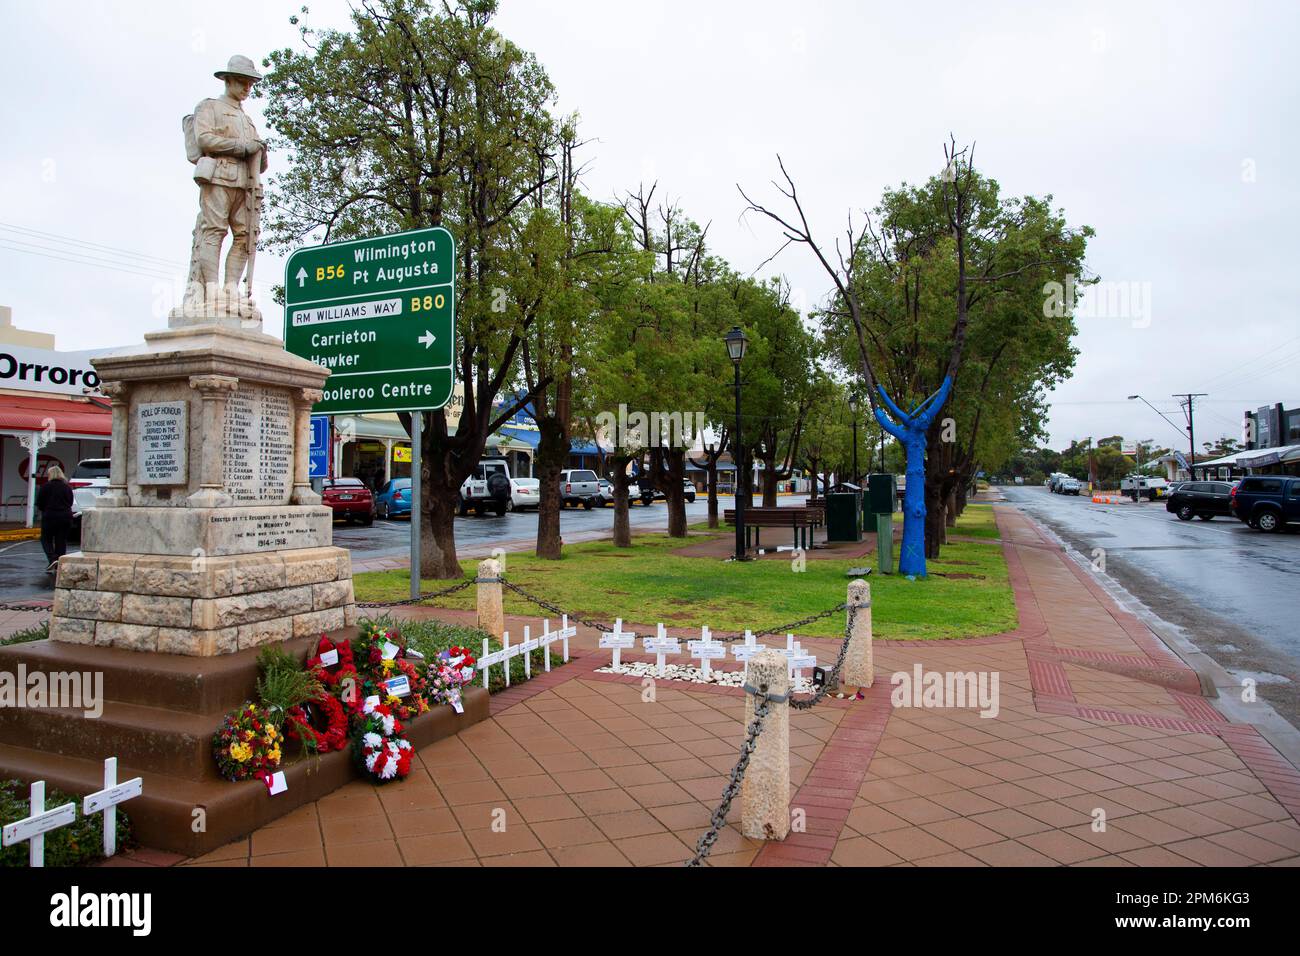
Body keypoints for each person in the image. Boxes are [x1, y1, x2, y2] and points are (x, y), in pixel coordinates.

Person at [35, 465, 74, 573]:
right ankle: (60, 563)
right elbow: (70, 502)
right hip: (66, 517)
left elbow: (39, 503)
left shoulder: (46, 487)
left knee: (45, 539)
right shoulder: (67, 487)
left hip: (50, 516)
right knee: (61, 540)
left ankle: (52, 558)